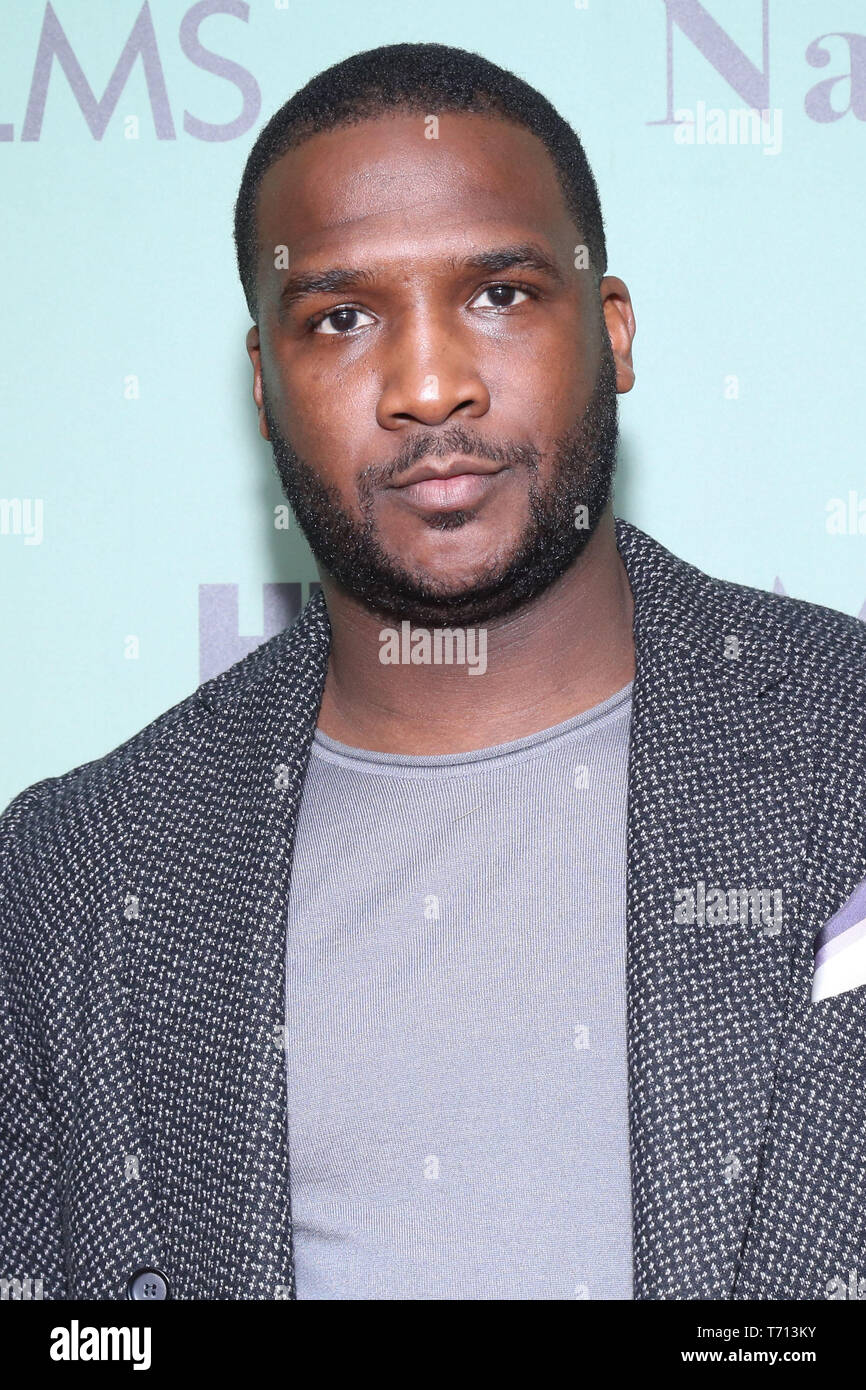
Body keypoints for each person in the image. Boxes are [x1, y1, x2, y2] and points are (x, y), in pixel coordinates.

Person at [2, 42, 865, 1303]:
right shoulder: (83, 865)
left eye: (501, 294)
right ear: (261, 386)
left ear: (612, 331)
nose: (425, 386)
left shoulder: (843, 735)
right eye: (341, 318)